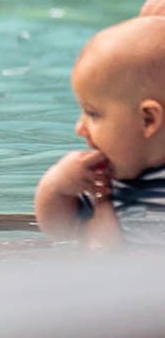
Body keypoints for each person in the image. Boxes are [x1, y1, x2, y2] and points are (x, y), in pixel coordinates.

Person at [35, 15, 165, 248]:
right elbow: (61, 229)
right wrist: (56, 188)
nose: (80, 128)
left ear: (148, 119)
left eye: (93, 114)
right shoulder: (107, 182)